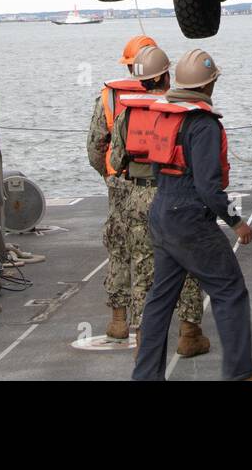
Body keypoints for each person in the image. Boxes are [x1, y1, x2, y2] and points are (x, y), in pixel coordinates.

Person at [131, 48, 252, 381]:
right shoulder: (203, 125)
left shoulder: (164, 115)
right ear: (208, 85)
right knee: (229, 290)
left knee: (160, 299)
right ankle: (241, 373)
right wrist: (237, 221)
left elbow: (157, 168)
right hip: (188, 215)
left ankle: (145, 376)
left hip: (161, 210)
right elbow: (208, 188)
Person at [108, 45, 209, 357]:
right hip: (174, 196)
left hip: (138, 196)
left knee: (143, 270)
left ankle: (144, 340)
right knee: (189, 265)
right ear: (166, 75)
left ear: (141, 81)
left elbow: (115, 157)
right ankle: (189, 334)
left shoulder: (126, 114)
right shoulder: (179, 111)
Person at [86, 34, 155, 340]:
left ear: (129, 66)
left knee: (119, 250)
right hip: (155, 185)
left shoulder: (109, 98)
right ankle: (153, 321)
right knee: (151, 252)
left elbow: (94, 147)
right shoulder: (167, 98)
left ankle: (118, 320)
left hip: (119, 184)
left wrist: (111, 175)